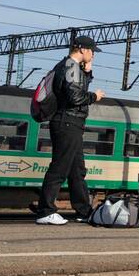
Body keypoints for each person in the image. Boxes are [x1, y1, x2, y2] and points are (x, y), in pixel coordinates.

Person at [35, 35, 106, 225]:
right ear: (83, 50)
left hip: (71, 123)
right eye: (92, 51)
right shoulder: (70, 66)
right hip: (67, 122)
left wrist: (88, 74)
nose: (93, 55)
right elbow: (76, 97)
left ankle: (83, 210)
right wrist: (94, 96)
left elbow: (73, 91)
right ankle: (45, 211)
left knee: (77, 170)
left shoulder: (71, 68)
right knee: (59, 168)